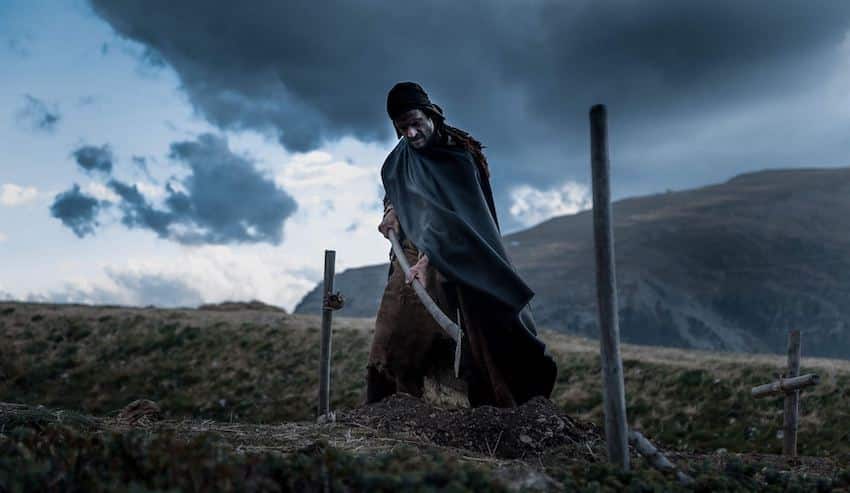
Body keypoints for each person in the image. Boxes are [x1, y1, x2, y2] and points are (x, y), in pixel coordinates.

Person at [366, 82, 557, 407]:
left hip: (460, 257)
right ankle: (389, 410)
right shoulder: (402, 157)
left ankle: (495, 411)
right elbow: (396, 187)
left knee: (483, 331)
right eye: (402, 128)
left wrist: (429, 259)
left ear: (431, 115)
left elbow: (463, 221)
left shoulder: (459, 157)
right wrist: (391, 211)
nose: (411, 133)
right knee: (395, 329)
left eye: (416, 123)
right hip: (410, 253)